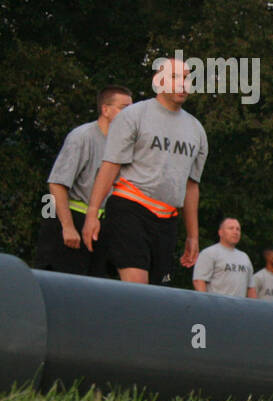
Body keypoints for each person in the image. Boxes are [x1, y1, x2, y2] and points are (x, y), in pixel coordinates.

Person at [82, 57, 208, 285]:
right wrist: (92, 214)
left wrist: (192, 235)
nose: (182, 84)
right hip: (130, 209)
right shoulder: (134, 115)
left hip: (167, 219)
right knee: (137, 287)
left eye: (187, 78)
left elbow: (191, 185)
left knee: (156, 294)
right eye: (174, 77)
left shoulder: (196, 130)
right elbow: (110, 165)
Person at [36, 85, 133, 274]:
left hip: (101, 227)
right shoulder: (82, 137)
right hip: (72, 222)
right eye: (124, 108)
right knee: (64, 289)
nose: (130, 114)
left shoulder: (125, 145)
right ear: (105, 110)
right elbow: (56, 184)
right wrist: (68, 227)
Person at [192, 217, 256, 297]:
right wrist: (205, 304)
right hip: (216, 307)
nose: (235, 232)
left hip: (239, 308)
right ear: (220, 232)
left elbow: (251, 287)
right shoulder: (209, 253)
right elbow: (199, 281)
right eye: (231, 228)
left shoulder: (245, 257)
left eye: (238, 229)